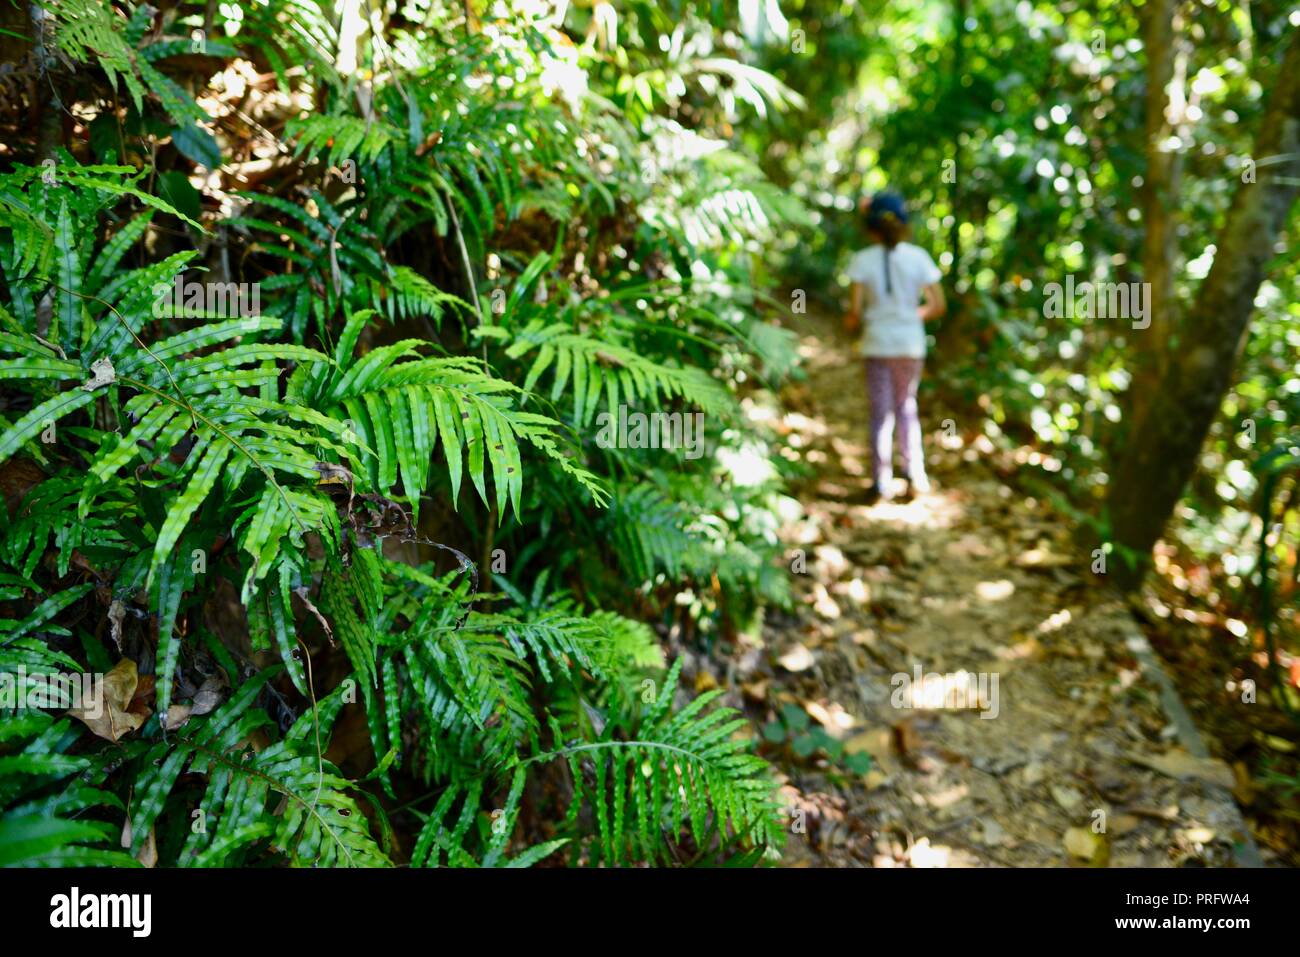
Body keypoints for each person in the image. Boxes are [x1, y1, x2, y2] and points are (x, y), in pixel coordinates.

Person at [842, 190, 946, 502]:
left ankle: (880, 481)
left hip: (877, 345)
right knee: (906, 408)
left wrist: (858, 321)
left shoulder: (861, 261)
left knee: (880, 412)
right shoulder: (919, 258)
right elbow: (938, 305)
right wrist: (911, 316)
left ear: (870, 227)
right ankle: (915, 474)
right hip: (910, 345)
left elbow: (854, 315)